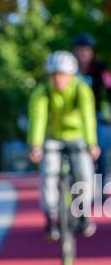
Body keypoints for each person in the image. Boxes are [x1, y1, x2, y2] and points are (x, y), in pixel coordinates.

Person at [27, 50, 99, 240]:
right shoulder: (41, 92)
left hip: (77, 136)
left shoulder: (81, 89)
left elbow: (88, 117)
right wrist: (35, 145)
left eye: (63, 75)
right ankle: (50, 219)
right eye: (54, 75)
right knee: (48, 173)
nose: (58, 80)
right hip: (52, 138)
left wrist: (92, 143)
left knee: (84, 171)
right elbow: (38, 119)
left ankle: (84, 214)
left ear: (71, 75)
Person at [72, 32, 111, 190]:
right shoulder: (69, 70)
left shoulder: (100, 69)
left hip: (96, 115)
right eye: (80, 50)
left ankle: (101, 184)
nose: (83, 54)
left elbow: (109, 88)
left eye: (87, 50)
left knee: (99, 148)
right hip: (74, 117)